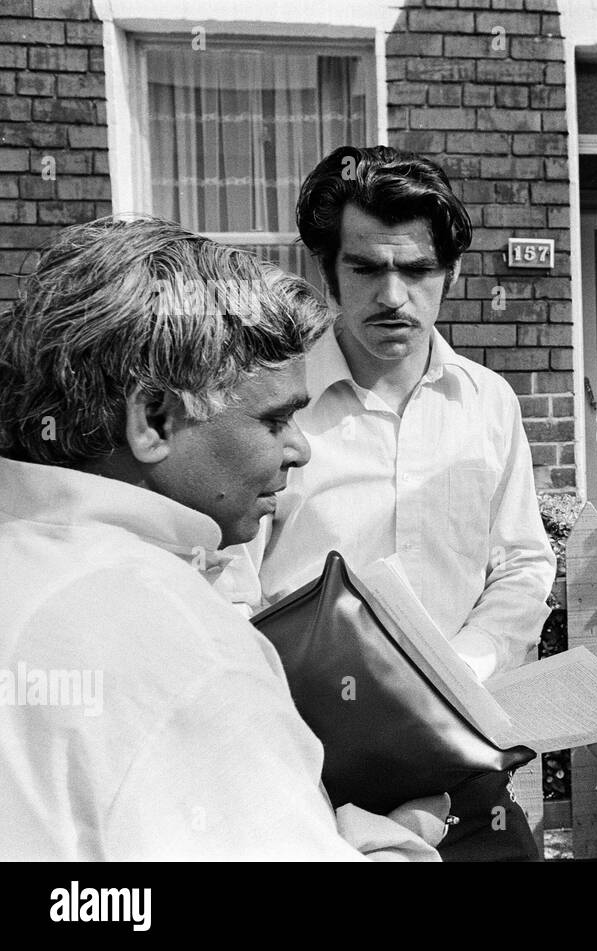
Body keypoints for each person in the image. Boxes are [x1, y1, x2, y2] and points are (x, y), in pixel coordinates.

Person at [0, 216, 449, 860]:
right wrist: (400, 845)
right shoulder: (175, 631)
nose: (299, 449)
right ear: (152, 418)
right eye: (275, 418)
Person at [219, 145, 556, 861]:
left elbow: (523, 562)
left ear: (452, 273)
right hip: (310, 776)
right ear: (327, 271)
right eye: (367, 268)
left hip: (463, 775)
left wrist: (468, 661)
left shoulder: (490, 402)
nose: (393, 296)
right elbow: (229, 582)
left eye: (416, 269)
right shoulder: (277, 405)